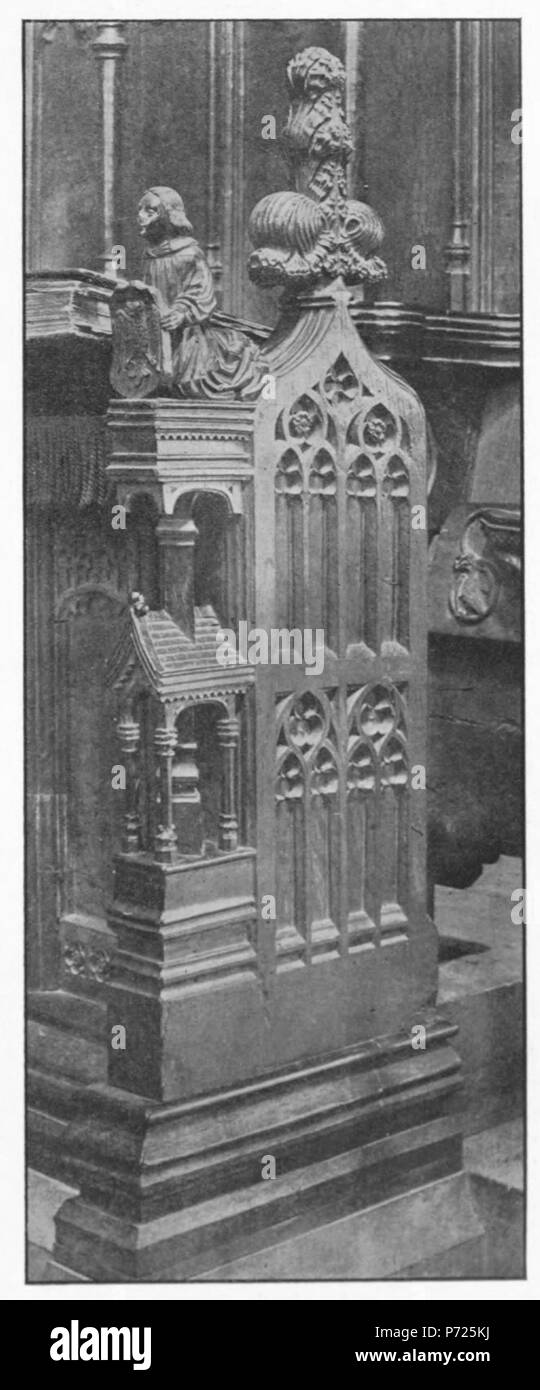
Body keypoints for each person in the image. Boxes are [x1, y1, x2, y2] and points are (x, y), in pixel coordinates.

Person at [137, 186, 262, 399]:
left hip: (187, 332)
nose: (140, 217)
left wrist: (181, 312)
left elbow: (202, 291)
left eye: (150, 211)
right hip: (156, 332)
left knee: (192, 381)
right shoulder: (150, 256)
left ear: (168, 216)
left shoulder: (190, 253)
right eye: (140, 210)